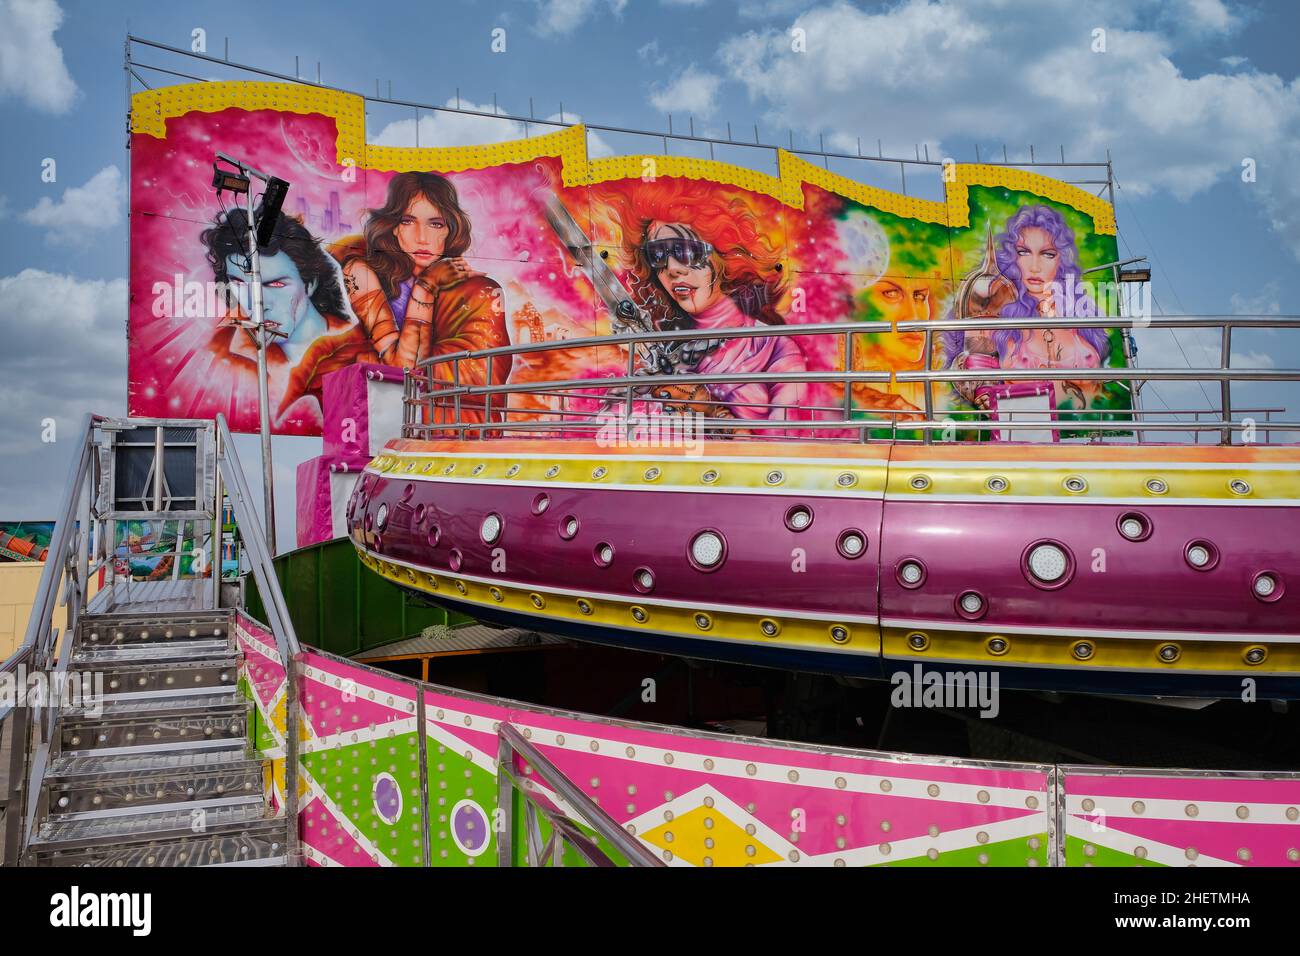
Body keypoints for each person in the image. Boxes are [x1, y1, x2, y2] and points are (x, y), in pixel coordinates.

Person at [333, 172, 509, 424]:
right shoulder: (362, 272)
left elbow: (487, 371)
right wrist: (425, 288)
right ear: (393, 227)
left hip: (455, 428)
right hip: (383, 422)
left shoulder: (475, 290)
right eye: (408, 221)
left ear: (450, 229)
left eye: (435, 223)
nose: (422, 237)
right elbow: (404, 371)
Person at [615, 205, 808, 429]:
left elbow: (785, 442)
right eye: (657, 255)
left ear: (722, 256)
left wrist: (713, 412)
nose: (672, 269)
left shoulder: (773, 347)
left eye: (685, 252)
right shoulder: (662, 349)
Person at [201, 208, 378, 427]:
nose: (259, 304)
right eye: (239, 283)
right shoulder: (222, 350)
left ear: (310, 283)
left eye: (276, 284)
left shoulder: (359, 348)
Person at [942, 206, 1111, 410]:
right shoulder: (996, 310)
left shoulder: (1078, 316)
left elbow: (1099, 394)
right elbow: (975, 373)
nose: (1034, 266)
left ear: (1062, 260)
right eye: (1023, 252)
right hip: (1019, 429)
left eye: (1047, 254)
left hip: (1083, 430)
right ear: (1012, 257)